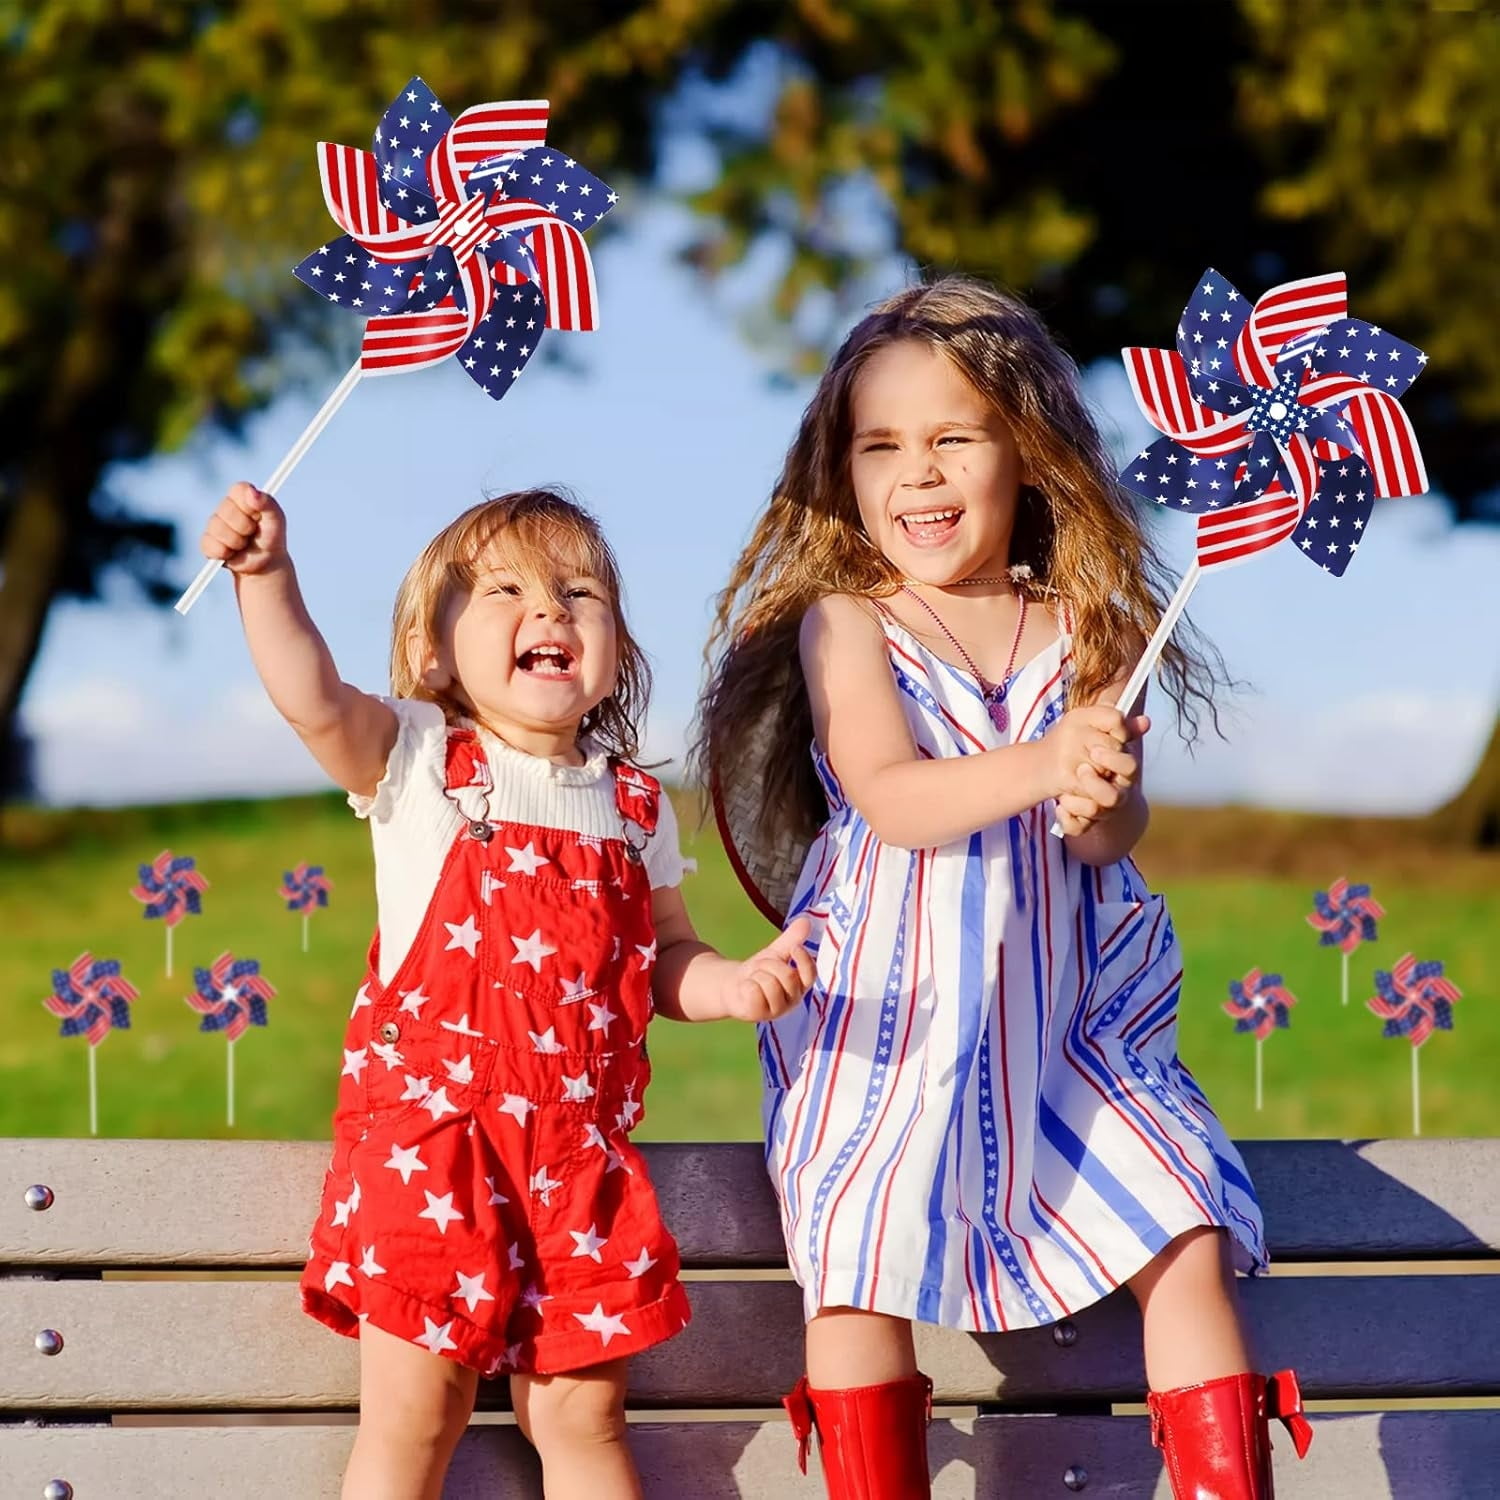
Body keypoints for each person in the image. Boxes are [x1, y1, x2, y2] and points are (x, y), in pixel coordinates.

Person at [695, 277, 1312, 1500]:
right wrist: (1042, 761)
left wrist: (1101, 796)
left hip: (1071, 1016)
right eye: (882, 448)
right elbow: (889, 793)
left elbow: (1105, 839)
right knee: (861, 1260)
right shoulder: (850, 624)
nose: (917, 476)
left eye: (952, 440)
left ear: (1026, 455)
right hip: (895, 1012)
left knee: (1180, 1225)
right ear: (842, 470)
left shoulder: (1085, 623)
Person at [201, 483, 813, 1500]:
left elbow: (664, 953)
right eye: (505, 590)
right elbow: (311, 695)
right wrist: (266, 580)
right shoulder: (419, 760)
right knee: (415, 1415)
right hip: (436, 1149)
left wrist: (733, 982)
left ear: (613, 642)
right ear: (433, 652)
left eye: (581, 591)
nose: (551, 611)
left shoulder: (632, 802)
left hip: (578, 1165)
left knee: (586, 1417)